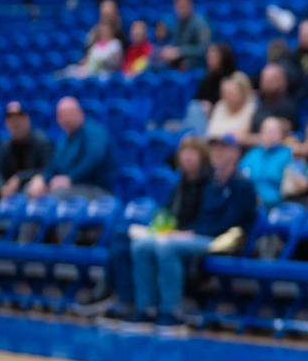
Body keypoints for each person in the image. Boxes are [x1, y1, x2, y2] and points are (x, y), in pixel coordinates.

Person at [110, 136, 259, 335]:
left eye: (223, 149)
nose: (218, 153)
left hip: (226, 241)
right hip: (203, 236)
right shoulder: (213, 184)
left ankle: (171, 312)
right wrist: (184, 231)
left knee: (166, 246)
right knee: (141, 246)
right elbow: (202, 217)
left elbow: (231, 223)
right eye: (215, 149)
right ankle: (146, 308)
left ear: (235, 154)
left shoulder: (242, 185)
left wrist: (191, 233)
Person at [28, 97, 115, 198]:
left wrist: (70, 178)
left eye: (70, 113)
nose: (67, 118)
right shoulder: (63, 139)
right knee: (32, 190)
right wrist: (43, 179)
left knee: (58, 194)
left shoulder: (94, 131)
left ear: (81, 113)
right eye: (62, 115)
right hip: (69, 187)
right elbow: (53, 166)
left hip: (95, 189)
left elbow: (95, 157)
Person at [0, 101, 54, 197]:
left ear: (27, 120)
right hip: (10, 193)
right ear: (7, 124)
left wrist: (20, 178)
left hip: (33, 191)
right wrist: (2, 188)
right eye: (12, 121)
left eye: (19, 120)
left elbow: (48, 170)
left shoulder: (41, 141)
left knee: (31, 188)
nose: (16, 124)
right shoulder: (5, 145)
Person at [240, 117, 297, 207]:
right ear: (260, 133)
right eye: (267, 130)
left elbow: (293, 185)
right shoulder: (251, 155)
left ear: (281, 134)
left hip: (277, 205)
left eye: (274, 131)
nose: (270, 134)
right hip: (249, 204)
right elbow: (240, 177)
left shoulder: (289, 155)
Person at [160, 0, 212, 68]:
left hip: (197, 64)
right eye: (178, 7)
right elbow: (176, 45)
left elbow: (204, 49)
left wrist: (180, 51)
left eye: (183, 6)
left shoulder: (200, 23)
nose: (180, 10)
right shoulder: (177, 23)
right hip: (179, 62)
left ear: (191, 6)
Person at [250, 64, 301, 136]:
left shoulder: (287, 107)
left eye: (272, 80)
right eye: (265, 80)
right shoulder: (257, 102)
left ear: (283, 81)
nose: (267, 83)